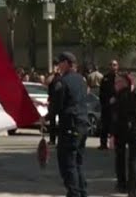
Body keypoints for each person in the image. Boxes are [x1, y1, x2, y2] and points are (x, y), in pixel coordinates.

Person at [47, 52, 90, 197]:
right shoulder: (81, 80)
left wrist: (47, 117)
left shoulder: (62, 81)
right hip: (83, 125)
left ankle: (74, 193)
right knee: (78, 162)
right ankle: (82, 193)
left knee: (67, 163)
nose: (58, 66)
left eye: (59, 62)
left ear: (66, 63)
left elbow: (57, 105)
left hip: (70, 126)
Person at [110, 72, 136, 197]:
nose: (115, 85)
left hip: (122, 131)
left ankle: (122, 184)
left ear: (123, 83)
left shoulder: (117, 98)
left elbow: (115, 118)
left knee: (120, 158)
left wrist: (112, 135)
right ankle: (132, 189)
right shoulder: (135, 96)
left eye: (117, 82)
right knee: (134, 160)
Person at [98, 59, 118, 149]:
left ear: (117, 66)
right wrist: (103, 102)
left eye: (114, 65)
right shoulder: (105, 78)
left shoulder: (119, 78)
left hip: (116, 107)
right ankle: (103, 144)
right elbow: (101, 92)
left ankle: (115, 144)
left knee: (115, 126)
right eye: (111, 65)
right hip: (106, 106)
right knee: (104, 126)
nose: (112, 66)